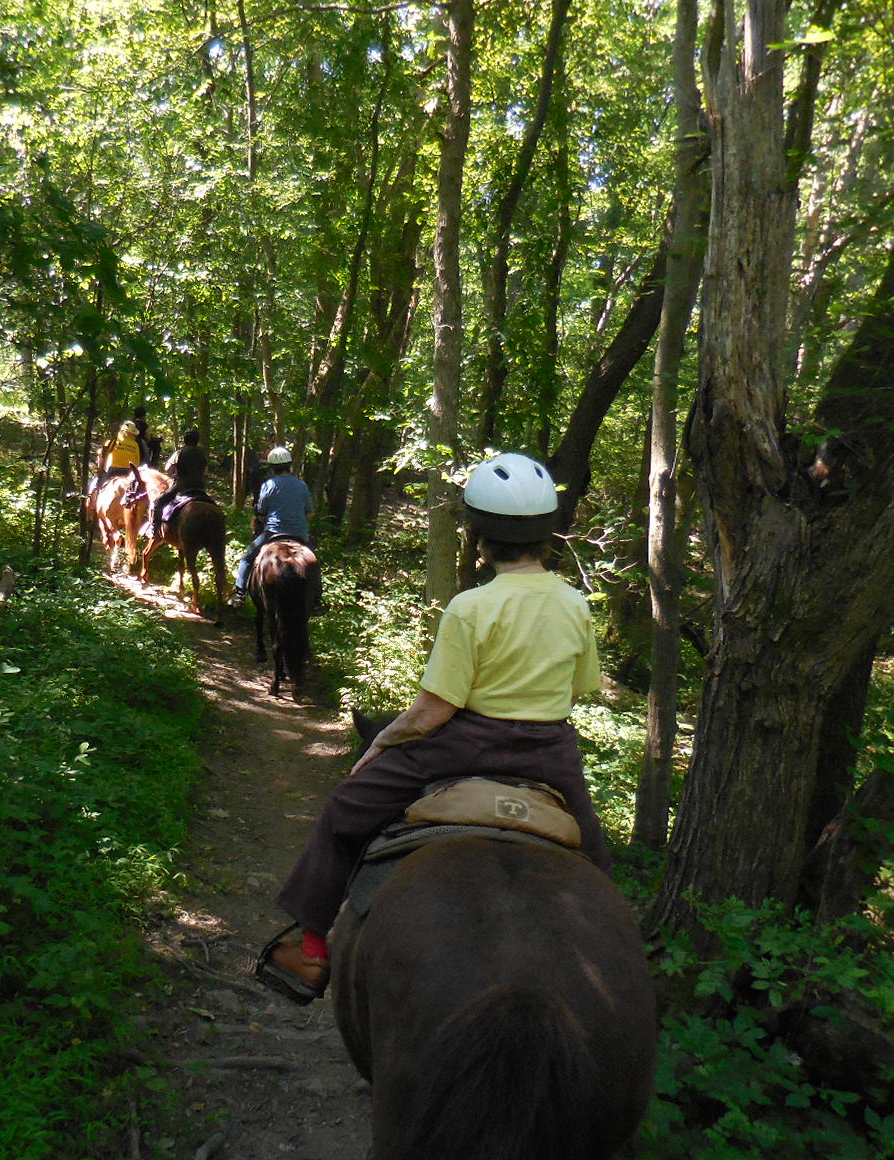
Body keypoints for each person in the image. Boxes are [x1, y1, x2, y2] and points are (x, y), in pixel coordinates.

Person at [254, 452, 613, 1004]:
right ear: (545, 534)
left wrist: (381, 741)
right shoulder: (575, 604)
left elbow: (432, 712)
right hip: (550, 752)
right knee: (597, 860)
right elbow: (577, 688)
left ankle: (311, 953)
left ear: (480, 536)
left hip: (465, 744)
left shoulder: (472, 607)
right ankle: (622, 961)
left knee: (345, 810)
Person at [228, 446, 322, 611]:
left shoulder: (268, 484)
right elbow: (310, 513)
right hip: (300, 535)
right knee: (315, 564)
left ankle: (240, 594)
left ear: (272, 467)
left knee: (247, 559)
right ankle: (317, 600)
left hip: (273, 533)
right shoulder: (301, 485)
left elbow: (261, 513)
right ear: (289, 465)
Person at [148, 428, 211, 538]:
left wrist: (175, 473)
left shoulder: (179, 452)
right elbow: (205, 471)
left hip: (182, 486)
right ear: (197, 440)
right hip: (200, 488)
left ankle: (154, 529)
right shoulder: (202, 454)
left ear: (185, 439)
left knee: (158, 503)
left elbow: (168, 468)